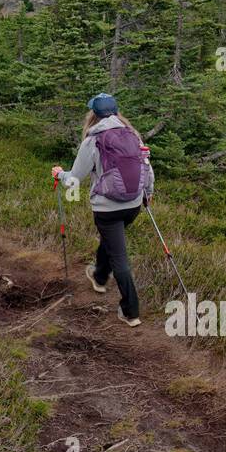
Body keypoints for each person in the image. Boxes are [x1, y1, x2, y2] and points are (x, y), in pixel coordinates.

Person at [51, 93, 151, 327]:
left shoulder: (93, 140)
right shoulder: (133, 135)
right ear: (116, 113)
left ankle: (130, 311)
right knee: (111, 240)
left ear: (94, 114)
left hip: (107, 208)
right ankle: (98, 277)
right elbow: (146, 166)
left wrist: (60, 174)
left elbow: (75, 178)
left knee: (120, 257)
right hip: (134, 205)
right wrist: (148, 193)